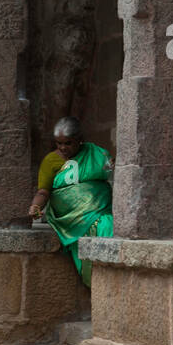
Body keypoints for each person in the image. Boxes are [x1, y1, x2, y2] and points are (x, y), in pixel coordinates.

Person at [28, 117, 114, 288]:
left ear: (79, 139)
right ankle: (96, 284)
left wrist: (111, 165)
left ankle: (111, 280)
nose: (63, 148)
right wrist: (35, 206)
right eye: (58, 143)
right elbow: (43, 191)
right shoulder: (50, 161)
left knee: (107, 226)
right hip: (70, 219)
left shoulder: (95, 154)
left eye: (68, 143)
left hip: (99, 208)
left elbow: (107, 172)